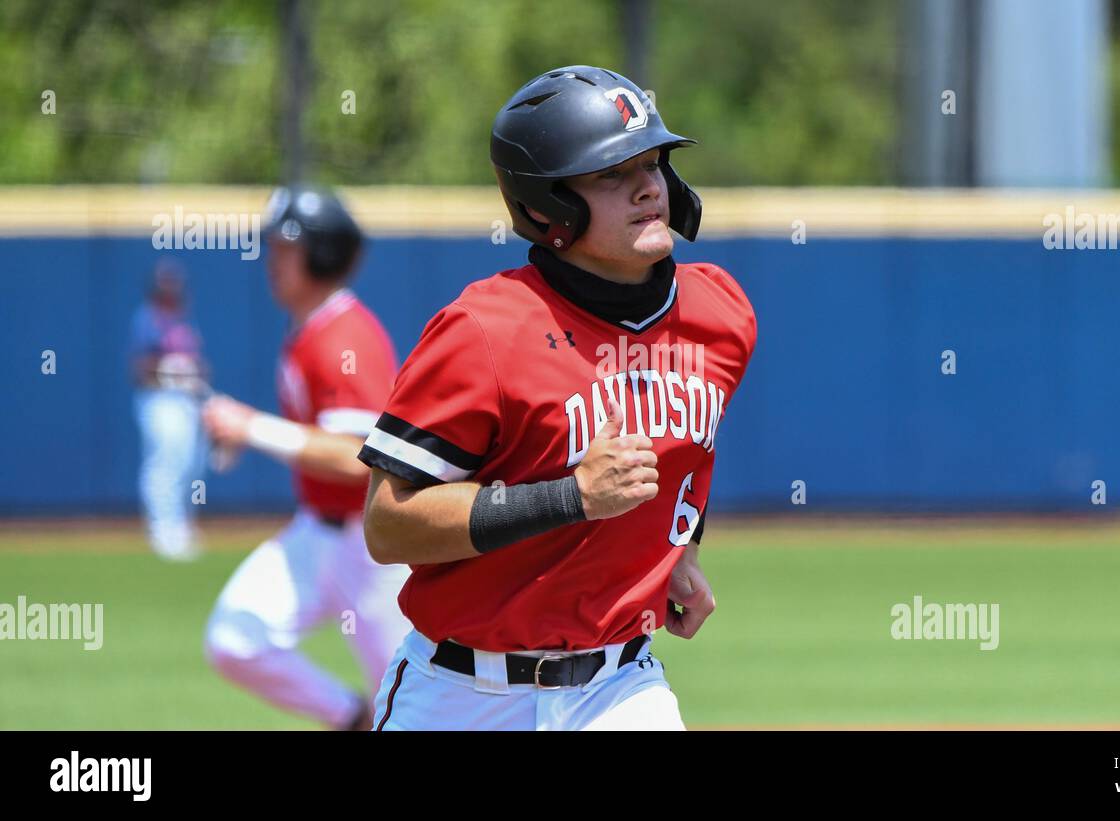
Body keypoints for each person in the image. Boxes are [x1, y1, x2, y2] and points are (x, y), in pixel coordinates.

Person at [359, 66, 757, 731]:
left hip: (621, 689)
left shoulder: (721, 313)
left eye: (653, 162)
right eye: (611, 173)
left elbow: (689, 451)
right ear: (548, 207)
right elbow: (387, 523)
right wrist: (570, 496)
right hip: (462, 692)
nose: (648, 187)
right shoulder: (483, 331)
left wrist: (681, 549)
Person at [201, 186, 411, 730]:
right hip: (317, 536)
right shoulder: (311, 328)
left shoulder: (345, 336)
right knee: (234, 638)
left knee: (414, 712)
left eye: (287, 247)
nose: (274, 259)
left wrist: (251, 428)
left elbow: (362, 459)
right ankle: (351, 717)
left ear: (322, 253)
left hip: (373, 549)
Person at [130, 259, 208, 561]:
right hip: (159, 399)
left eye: (174, 283)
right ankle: (161, 528)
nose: (171, 289)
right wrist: (168, 370)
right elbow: (138, 366)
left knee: (190, 463)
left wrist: (194, 374)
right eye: (165, 283)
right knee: (164, 461)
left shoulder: (182, 319)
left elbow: (198, 362)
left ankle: (181, 525)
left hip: (186, 401)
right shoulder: (147, 319)